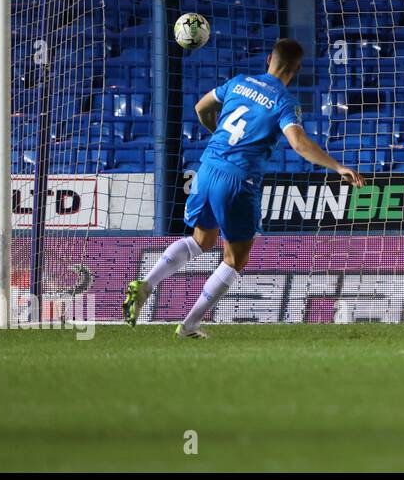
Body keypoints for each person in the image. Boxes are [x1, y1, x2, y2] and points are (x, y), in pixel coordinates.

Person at [123, 39, 365, 338]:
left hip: (207, 167)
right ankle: (188, 326)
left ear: (268, 59)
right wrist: (338, 166)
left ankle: (145, 284)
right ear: (297, 69)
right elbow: (299, 143)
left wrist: (219, 135)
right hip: (238, 179)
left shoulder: (238, 83)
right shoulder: (284, 102)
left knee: (201, 240)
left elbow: (201, 107)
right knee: (236, 258)